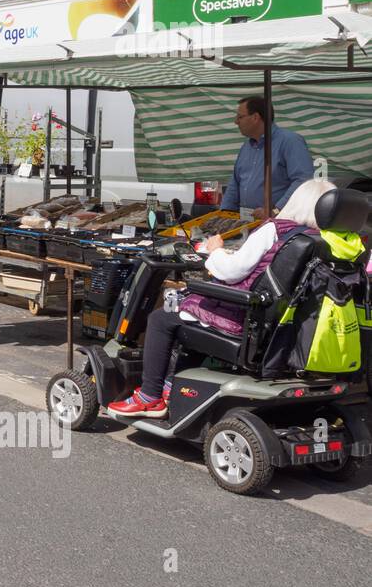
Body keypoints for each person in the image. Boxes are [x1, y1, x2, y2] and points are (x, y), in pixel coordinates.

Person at [108, 177, 335, 419]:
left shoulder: (275, 230)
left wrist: (214, 250)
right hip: (282, 327)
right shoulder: (325, 240)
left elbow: (231, 271)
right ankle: (171, 387)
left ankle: (150, 397)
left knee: (161, 319)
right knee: (190, 315)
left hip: (246, 319)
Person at [221, 95, 314, 218]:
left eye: (240, 117)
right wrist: (225, 212)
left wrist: (276, 210)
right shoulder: (246, 146)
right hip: (248, 222)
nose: (236, 121)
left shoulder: (290, 141)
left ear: (255, 117)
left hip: (279, 222)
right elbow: (236, 182)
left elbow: (303, 180)